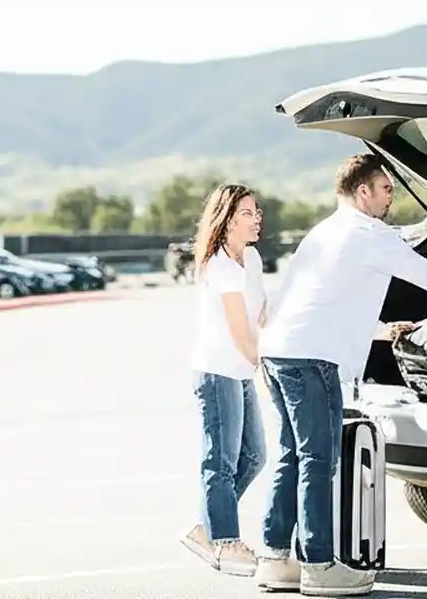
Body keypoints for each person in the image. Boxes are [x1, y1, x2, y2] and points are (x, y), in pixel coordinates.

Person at [253, 155, 427, 596]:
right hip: (311, 360)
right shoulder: (370, 233)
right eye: (385, 189)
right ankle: (319, 567)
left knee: (292, 456)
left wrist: (380, 332)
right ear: (363, 191)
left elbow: (310, 299)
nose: (389, 197)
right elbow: (426, 273)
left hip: (279, 352)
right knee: (318, 462)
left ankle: (274, 558)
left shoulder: (321, 233)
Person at [179, 183, 270, 577]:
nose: (257, 218)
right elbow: (238, 329)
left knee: (253, 457)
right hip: (218, 373)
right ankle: (226, 542)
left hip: (238, 372)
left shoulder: (250, 258)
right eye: (248, 213)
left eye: (257, 212)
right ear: (228, 219)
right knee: (220, 462)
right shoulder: (219, 265)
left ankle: (205, 528)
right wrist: (265, 366)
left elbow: (262, 313)